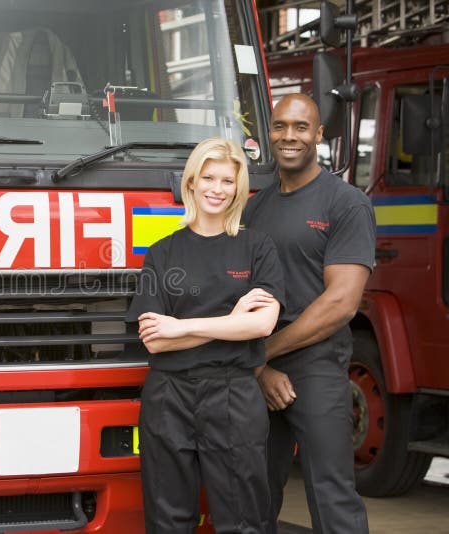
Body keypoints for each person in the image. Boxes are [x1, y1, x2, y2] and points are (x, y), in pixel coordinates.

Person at [127, 137, 285, 533]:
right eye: (208, 178)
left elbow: (261, 325)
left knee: (243, 519)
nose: (217, 189)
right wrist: (230, 322)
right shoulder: (161, 252)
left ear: (239, 188)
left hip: (233, 394)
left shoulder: (257, 247)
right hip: (168, 397)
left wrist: (183, 325)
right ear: (192, 182)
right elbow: (155, 340)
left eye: (227, 181)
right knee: (168, 519)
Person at [242, 93, 375, 534]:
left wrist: (266, 354)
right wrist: (260, 369)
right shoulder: (255, 207)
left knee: (331, 497)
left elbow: (341, 303)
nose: (289, 136)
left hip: (315, 365)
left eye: (301, 127)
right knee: (253, 496)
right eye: (280, 127)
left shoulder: (345, 202)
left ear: (319, 135)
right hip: (259, 365)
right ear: (269, 135)